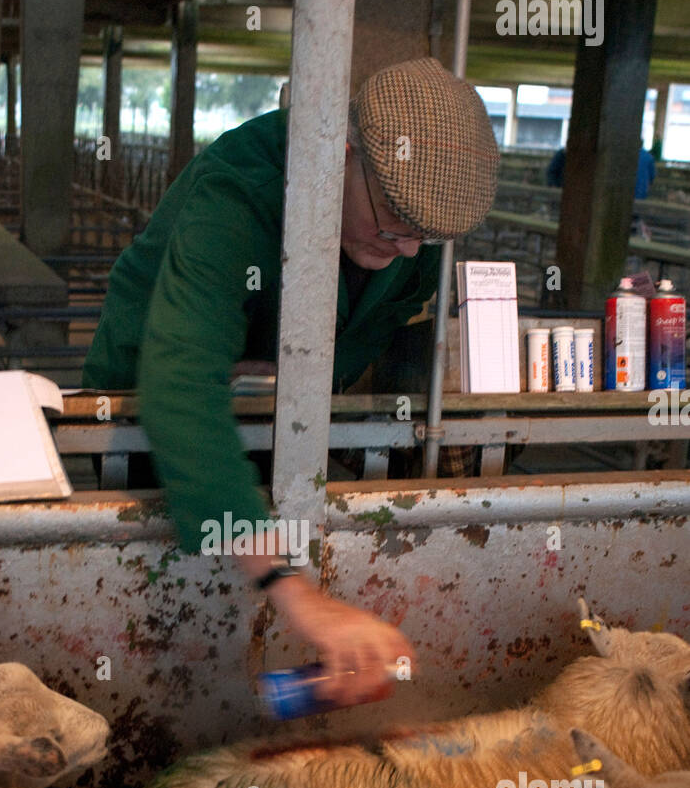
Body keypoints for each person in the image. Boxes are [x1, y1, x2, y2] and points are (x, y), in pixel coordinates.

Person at [83, 57, 499, 707]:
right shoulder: (245, 184)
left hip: (275, 408)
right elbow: (181, 383)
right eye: (393, 218)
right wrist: (295, 591)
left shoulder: (410, 235)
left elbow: (364, 326)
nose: (411, 250)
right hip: (147, 407)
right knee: (157, 593)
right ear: (339, 153)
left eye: (428, 235)